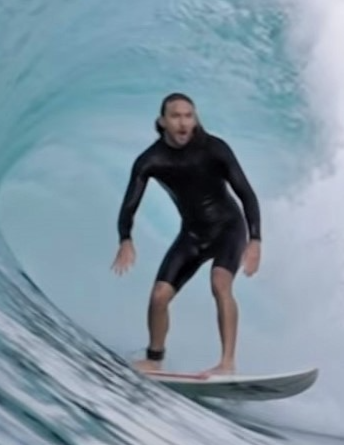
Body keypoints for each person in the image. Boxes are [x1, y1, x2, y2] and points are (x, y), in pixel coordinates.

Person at [110, 92, 262, 376]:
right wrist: (126, 239)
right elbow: (129, 205)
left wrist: (255, 239)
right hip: (192, 235)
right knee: (158, 296)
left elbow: (247, 194)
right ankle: (154, 357)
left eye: (188, 116)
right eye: (176, 116)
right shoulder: (150, 160)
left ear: (195, 119)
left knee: (220, 283)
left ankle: (227, 364)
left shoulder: (215, 149)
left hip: (229, 227)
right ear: (162, 121)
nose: (183, 123)